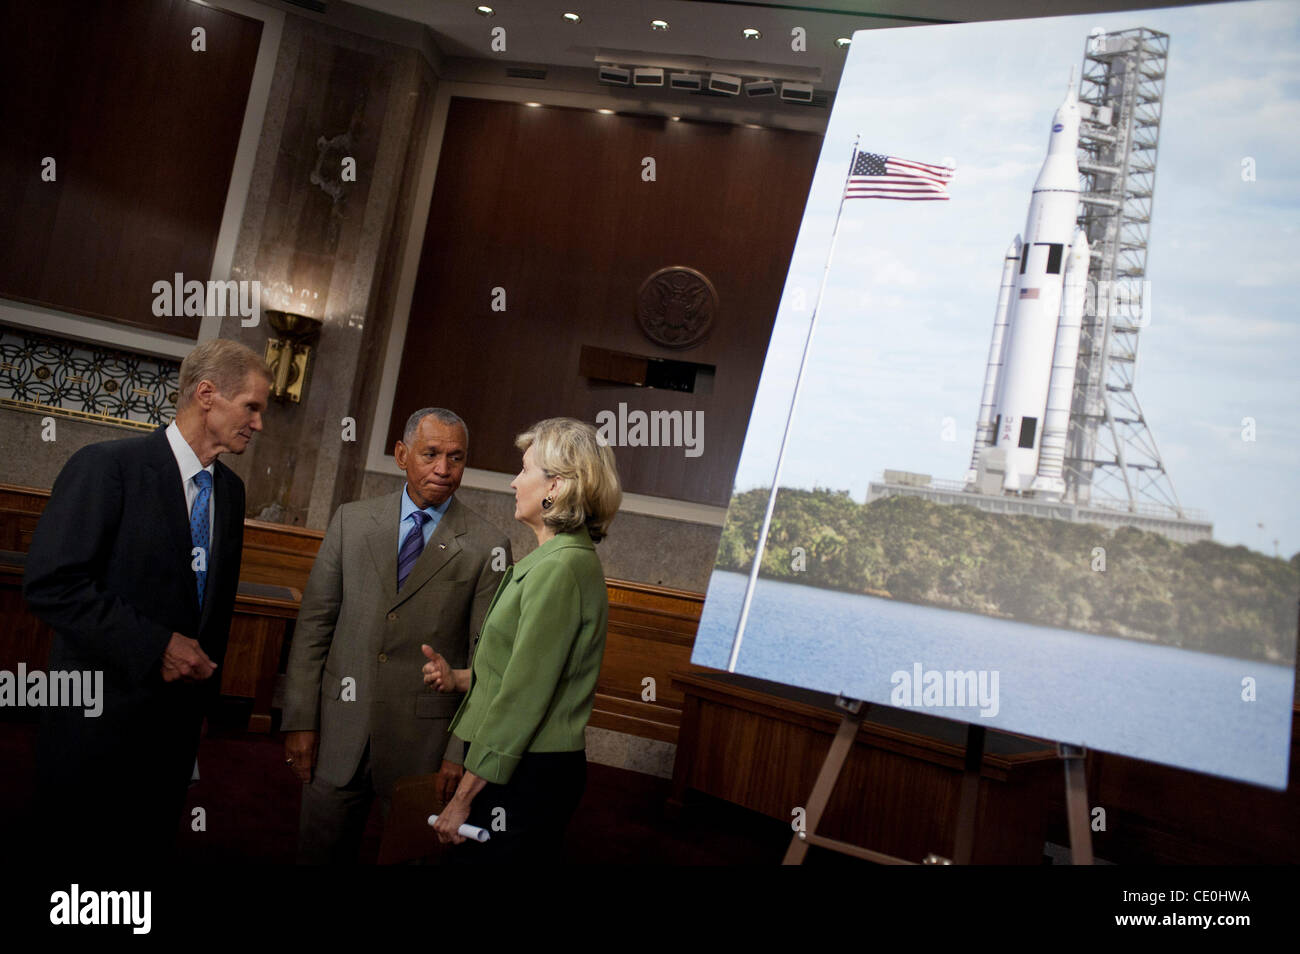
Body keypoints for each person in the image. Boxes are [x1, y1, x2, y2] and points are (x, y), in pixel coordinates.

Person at [23, 337, 272, 861]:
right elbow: (52, 584)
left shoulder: (230, 491)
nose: (258, 422)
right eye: (251, 407)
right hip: (97, 721)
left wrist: (202, 701)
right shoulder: (107, 467)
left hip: (172, 733)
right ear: (207, 394)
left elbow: (213, 606)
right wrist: (155, 646)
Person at [282, 407, 511, 863]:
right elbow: (314, 628)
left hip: (424, 748)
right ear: (402, 454)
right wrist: (300, 719)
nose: (443, 470)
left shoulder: (488, 546)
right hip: (339, 732)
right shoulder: (350, 521)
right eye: (430, 454)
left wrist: (458, 753)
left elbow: (482, 660)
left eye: (456, 458)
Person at [426, 417, 621, 862]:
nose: (514, 482)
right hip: (522, 765)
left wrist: (461, 802)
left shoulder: (559, 569)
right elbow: (519, 669)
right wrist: (459, 678)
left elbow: (522, 698)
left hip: (527, 771)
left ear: (556, 486)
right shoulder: (557, 560)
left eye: (525, 470)